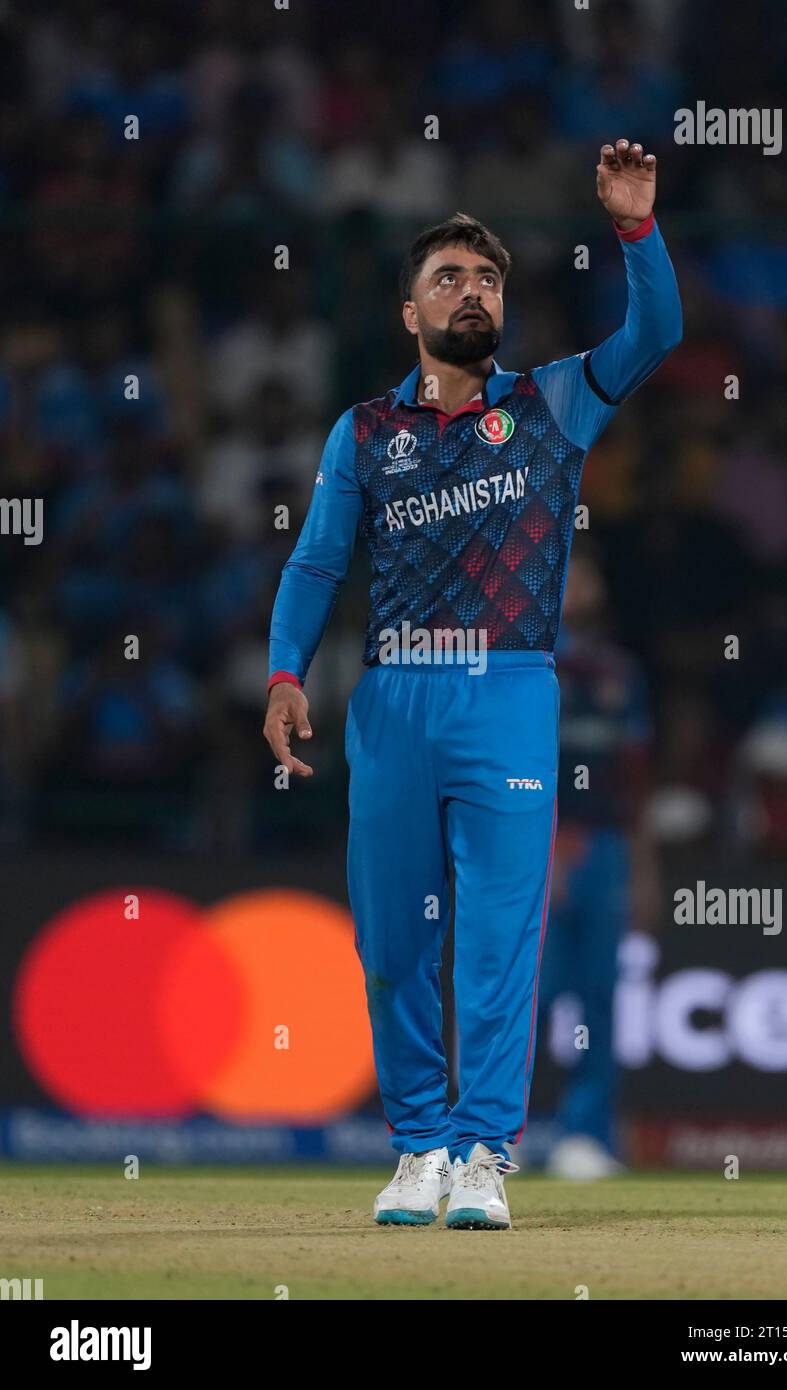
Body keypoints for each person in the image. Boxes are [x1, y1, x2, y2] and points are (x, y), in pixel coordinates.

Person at [264, 139, 681, 1230]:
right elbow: (315, 561)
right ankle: (416, 1150)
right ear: (409, 313)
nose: (470, 291)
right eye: (447, 278)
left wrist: (633, 227)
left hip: (505, 692)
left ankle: (485, 1153)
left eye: (486, 277)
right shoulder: (364, 432)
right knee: (393, 941)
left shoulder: (552, 404)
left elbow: (656, 334)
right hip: (394, 699)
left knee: (498, 935)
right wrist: (281, 674)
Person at [540, 545, 661, 1180]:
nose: (581, 584)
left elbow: (636, 780)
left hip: (608, 847)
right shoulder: (528, 659)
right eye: (569, 572)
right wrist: (544, 842)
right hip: (539, 845)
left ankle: (585, 1135)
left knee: (600, 997)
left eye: (588, 572)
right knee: (526, 993)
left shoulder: (620, 671)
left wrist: (644, 868)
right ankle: (487, 1131)